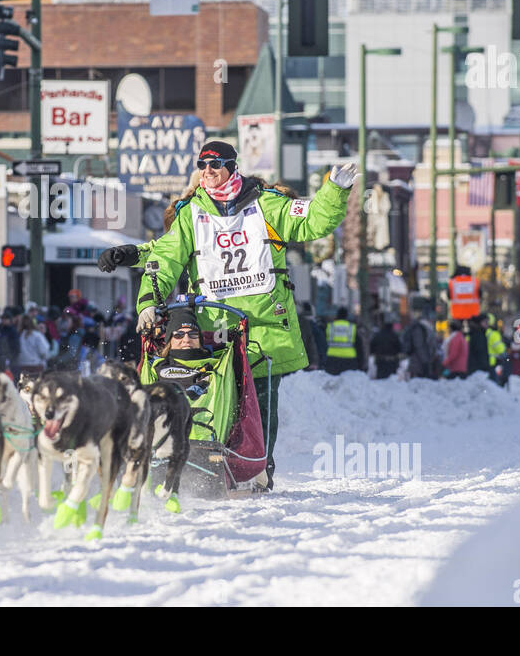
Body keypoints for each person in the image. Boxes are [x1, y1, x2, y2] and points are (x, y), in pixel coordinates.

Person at [117, 141, 355, 490]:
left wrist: (335, 189)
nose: (208, 170)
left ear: (232, 166)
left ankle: (259, 469)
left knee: (260, 404)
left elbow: (313, 223)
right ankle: (206, 462)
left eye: (215, 164)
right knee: (213, 397)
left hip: (265, 327)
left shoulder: (267, 205)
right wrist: (149, 302)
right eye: (203, 164)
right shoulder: (190, 214)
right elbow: (164, 260)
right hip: (215, 328)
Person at [150, 308, 219, 399]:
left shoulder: (217, 366)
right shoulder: (155, 367)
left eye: (193, 334)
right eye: (179, 335)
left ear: (200, 340)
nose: (186, 340)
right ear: (169, 342)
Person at [401, 311, 438, 379]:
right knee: (419, 383)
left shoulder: (425, 328)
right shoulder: (419, 329)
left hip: (420, 362)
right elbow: (419, 346)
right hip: (418, 363)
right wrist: (425, 361)